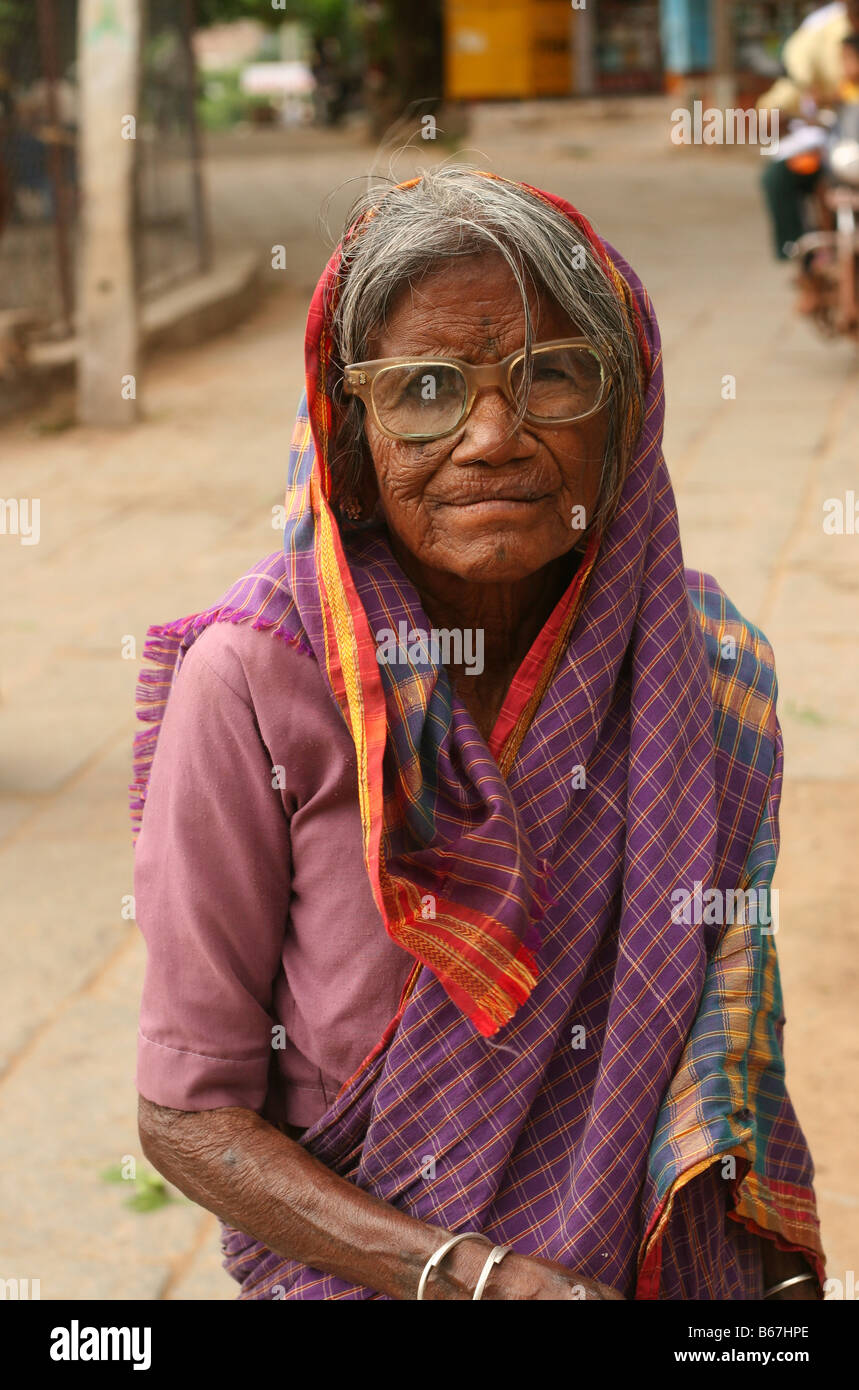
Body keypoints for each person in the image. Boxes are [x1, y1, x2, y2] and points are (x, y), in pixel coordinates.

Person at [131, 168, 824, 1301]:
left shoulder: (705, 662)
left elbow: (724, 1060)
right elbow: (184, 1112)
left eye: (553, 377)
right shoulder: (258, 679)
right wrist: (476, 1277)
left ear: (626, 414)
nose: (492, 436)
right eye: (424, 390)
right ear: (351, 434)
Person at [758, 0, 859, 267]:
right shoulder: (820, 32)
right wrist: (772, 112)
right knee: (779, 178)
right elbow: (796, 86)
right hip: (839, 144)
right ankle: (807, 266)